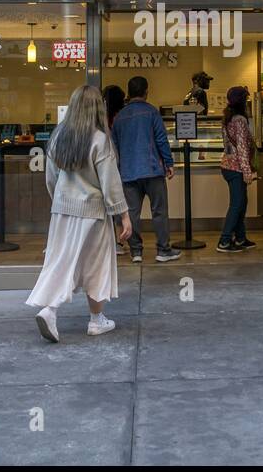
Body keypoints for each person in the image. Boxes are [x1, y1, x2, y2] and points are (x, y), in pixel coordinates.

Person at [28, 84, 133, 343]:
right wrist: (124, 216)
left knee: (62, 261)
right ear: (99, 107)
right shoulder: (100, 139)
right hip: (93, 213)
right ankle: (96, 320)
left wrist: (60, 204)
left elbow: (51, 178)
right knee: (96, 265)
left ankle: (50, 309)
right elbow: (111, 183)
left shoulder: (58, 137)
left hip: (62, 211)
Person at [110, 76, 181, 263]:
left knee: (132, 212)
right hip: (152, 170)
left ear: (129, 93)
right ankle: (163, 250)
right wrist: (169, 163)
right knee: (159, 211)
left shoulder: (119, 118)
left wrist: (118, 170)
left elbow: (114, 147)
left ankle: (136, 252)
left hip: (128, 173)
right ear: (146, 92)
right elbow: (161, 140)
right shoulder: (152, 113)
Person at [217, 86, 258, 253]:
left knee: (241, 202)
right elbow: (242, 148)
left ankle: (240, 238)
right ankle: (224, 240)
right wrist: (248, 172)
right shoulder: (240, 120)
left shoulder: (227, 118)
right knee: (237, 204)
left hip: (227, 165)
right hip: (236, 168)